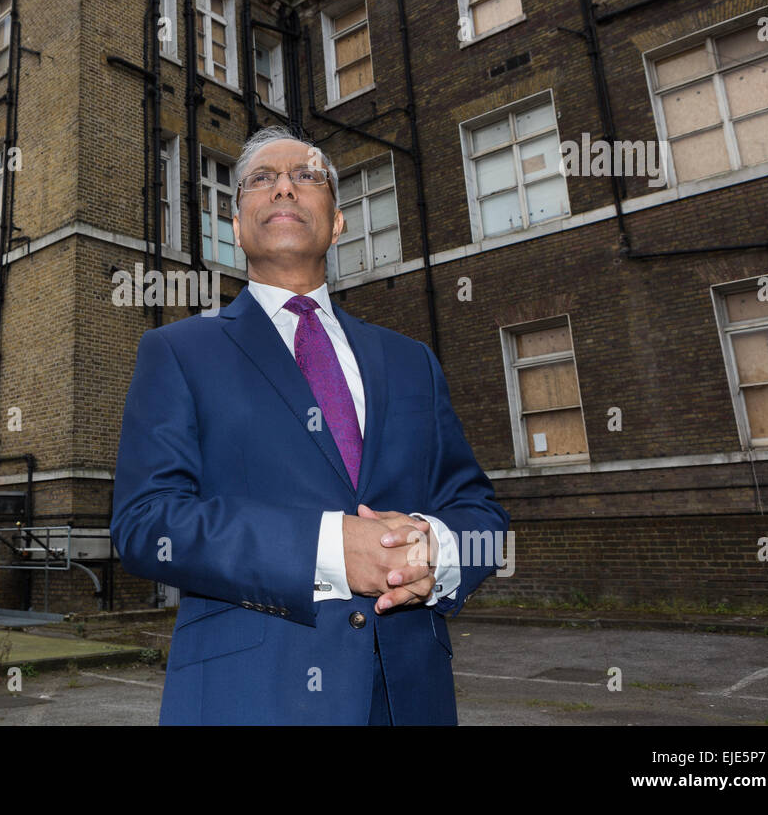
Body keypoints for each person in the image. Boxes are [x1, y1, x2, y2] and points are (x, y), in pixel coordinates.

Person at [111, 125, 510, 725]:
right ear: (238, 224)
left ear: (338, 220)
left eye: (307, 176)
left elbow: (483, 517)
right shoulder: (177, 351)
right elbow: (146, 524)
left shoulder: (411, 361)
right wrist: (327, 548)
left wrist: (436, 549)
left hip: (407, 701)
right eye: (262, 180)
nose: (284, 189)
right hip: (248, 698)